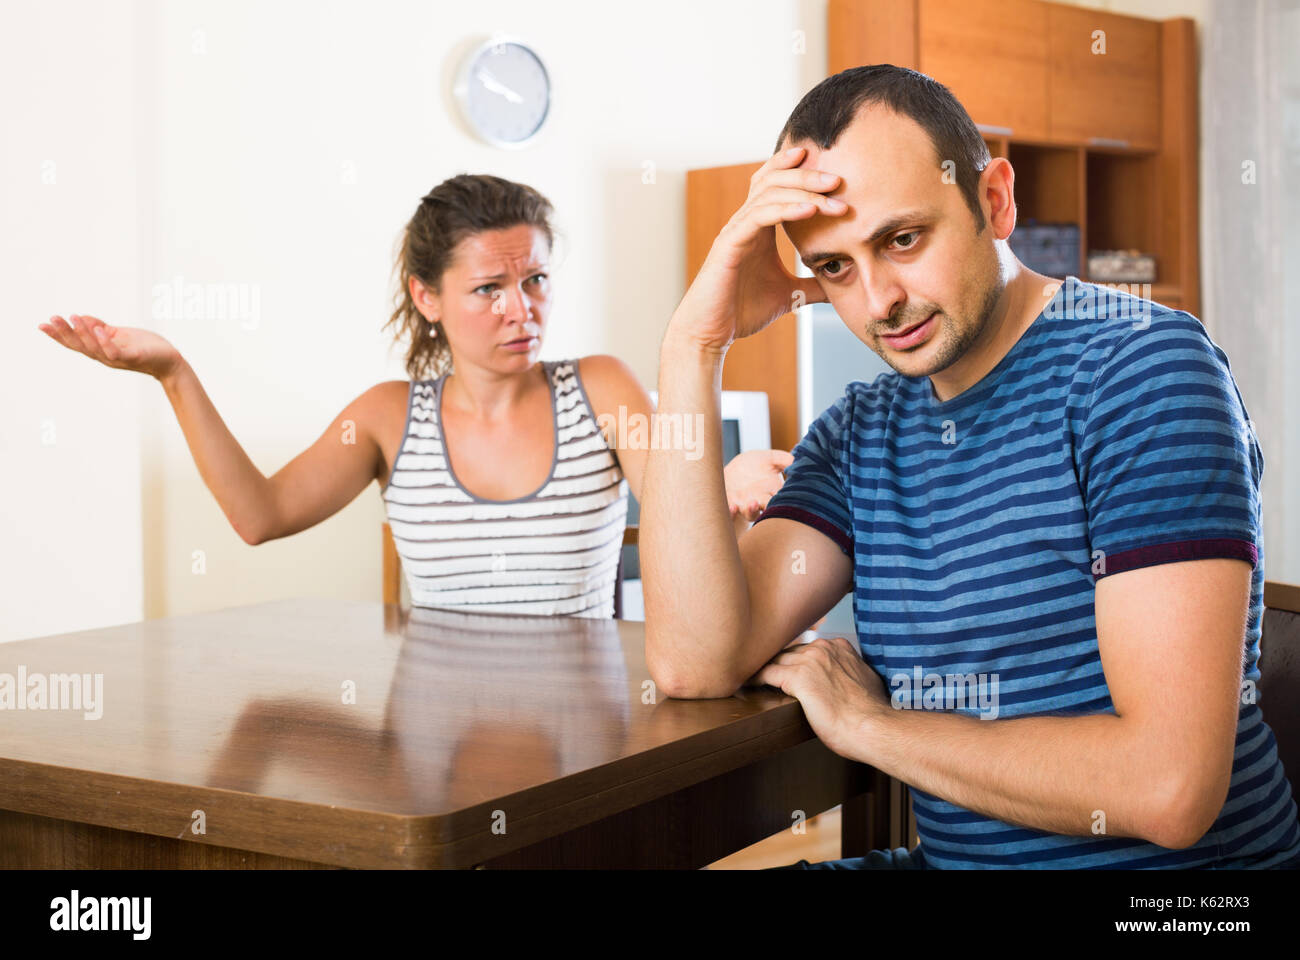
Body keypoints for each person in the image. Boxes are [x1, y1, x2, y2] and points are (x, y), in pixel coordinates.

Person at [642, 64, 1300, 869]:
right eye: (836, 267)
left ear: (994, 200)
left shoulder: (1141, 371)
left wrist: (873, 728)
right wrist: (692, 348)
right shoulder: (863, 430)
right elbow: (694, 661)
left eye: (902, 239)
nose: (878, 300)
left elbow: (1166, 788)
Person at [37, 173, 789, 619]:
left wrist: (717, 486)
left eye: (535, 281)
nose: (519, 309)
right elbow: (257, 517)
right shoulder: (386, 417)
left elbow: (675, 510)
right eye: (488, 288)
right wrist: (175, 373)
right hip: (435, 745)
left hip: (583, 737)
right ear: (426, 296)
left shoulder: (599, 388)